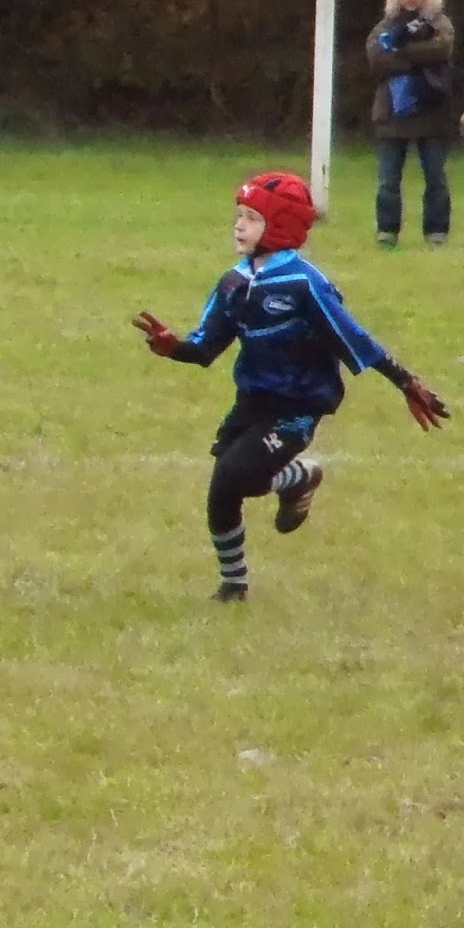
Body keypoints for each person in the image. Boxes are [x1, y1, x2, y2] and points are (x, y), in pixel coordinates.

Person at [132, 171, 449, 604]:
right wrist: (174, 348)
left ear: (279, 226)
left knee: (234, 474)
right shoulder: (233, 282)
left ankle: (290, 487)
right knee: (225, 489)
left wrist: (407, 383)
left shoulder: (304, 284)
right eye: (238, 216)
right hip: (252, 402)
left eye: (251, 218)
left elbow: (355, 338)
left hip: (297, 406)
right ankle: (237, 582)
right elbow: (206, 348)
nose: (238, 226)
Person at [366, 0, 455, 247]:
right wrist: (416, 57)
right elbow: (376, 57)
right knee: (388, 180)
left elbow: (442, 49)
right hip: (391, 111)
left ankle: (436, 232)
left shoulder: (440, 23)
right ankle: (387, 232)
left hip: (432, 110)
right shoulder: (385, 24)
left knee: (436, 177)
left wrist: (400, 49)